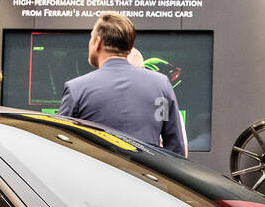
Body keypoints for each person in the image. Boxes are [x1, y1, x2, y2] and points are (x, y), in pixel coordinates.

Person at [57, 13, 186, 154]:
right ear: (130, 47)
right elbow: (176, 151)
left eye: (91, 37)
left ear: (97, 42)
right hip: (142, 176)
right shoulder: (161, 85)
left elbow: (59, 147)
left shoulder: (77, 89)